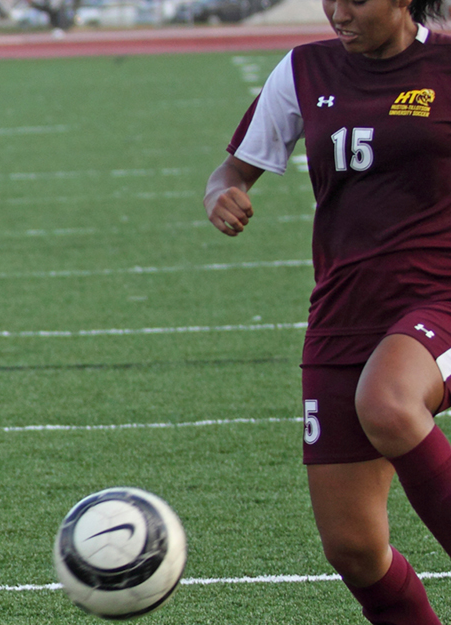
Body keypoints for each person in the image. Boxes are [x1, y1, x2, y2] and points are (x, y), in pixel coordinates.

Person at [204, 0, 451, 621]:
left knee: (388, 402)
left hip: (440, 297)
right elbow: (233, 168)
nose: (337, 11)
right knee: (354, 549)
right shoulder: (304, 70)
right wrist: (222, 194)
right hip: (343, 311)